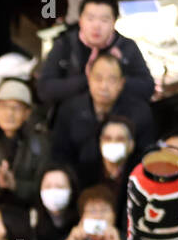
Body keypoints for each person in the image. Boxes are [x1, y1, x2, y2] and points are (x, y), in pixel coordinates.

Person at [35, 0, 155, 116]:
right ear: (80, 20)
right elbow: (44, 90)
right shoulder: (64, 45)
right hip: (72, 119)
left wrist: (115, 79)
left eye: (104, 20)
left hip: (117, 119)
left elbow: (147, 87)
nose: (96, 26)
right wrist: (89, 80)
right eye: (90, 18)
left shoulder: (126, 46)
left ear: (114, 22)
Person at [52, 57, 154, 191]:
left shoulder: (140, 112)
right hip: (79, 186)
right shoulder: (69, 110)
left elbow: (147, 155)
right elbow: (59, 155)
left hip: (127, 186)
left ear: (121, 83)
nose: (104, 86)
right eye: (98, 78)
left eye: (111, 80)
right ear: (89, 79)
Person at [0, 79, 45, 209]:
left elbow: (44, 188)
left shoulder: (39, 143)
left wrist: (16, 185)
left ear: (27, 113)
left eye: (16, 108)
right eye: (3, 106)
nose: (9, 114)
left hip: (25, 216)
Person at [32, 164, 79, 240]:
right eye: (48, 186)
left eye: (60, 187)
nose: (53, 191)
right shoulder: (31, 223)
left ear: (72, 190)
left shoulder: (80, 223)